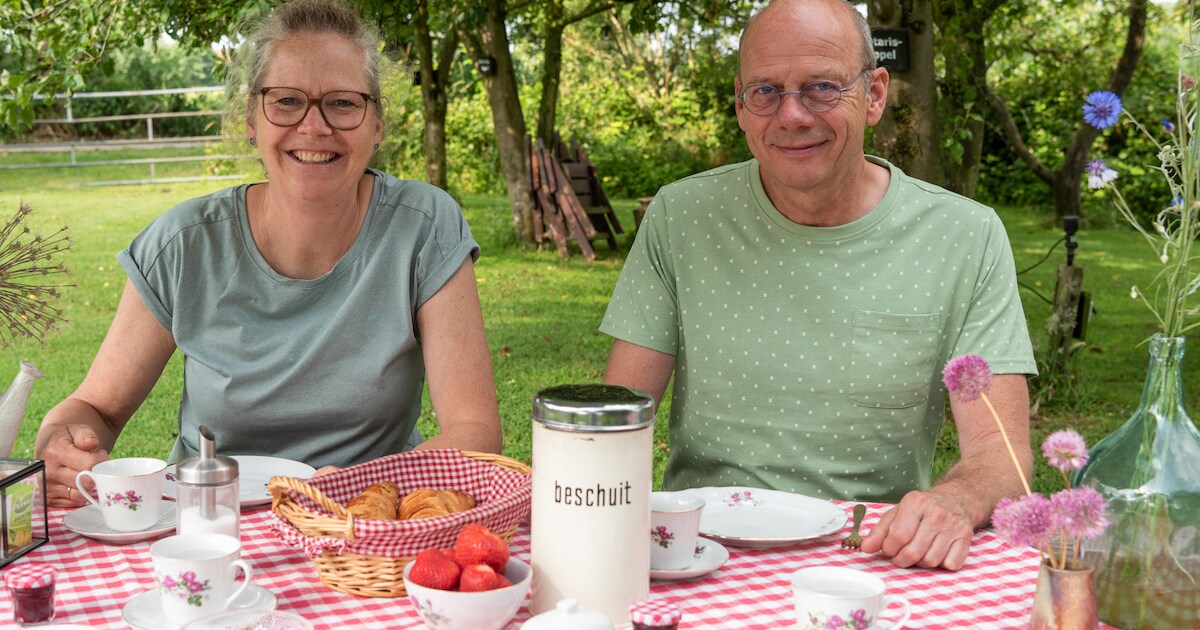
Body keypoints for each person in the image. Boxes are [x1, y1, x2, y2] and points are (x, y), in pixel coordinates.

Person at [600, 0, 1035, 571]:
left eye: (822, 87)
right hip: (699, 554)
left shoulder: (965, 237)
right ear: (740, 102)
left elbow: (1001, 454)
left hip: (876, 556)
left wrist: (953, 500)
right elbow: (615, 423)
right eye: (765, 91)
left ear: (875, 94)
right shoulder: (683, 216)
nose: (792, 115)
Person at [35, 0, 502, 508]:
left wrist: (354, 492)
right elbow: (95, 407)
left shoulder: (423, 227)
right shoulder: (185, 245)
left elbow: (474, 430)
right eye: (286, 100)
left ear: (377, 125)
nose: (315, 126)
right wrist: (62, 442)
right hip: (210, 524)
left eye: (343, 103)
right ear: (251, 120)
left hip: (366, 523)